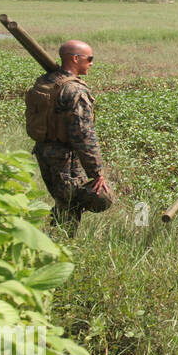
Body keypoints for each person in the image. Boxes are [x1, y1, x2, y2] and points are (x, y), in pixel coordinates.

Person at [24, 40, 113, 231]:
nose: (91, 63)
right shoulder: (75, 90)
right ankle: (62, 244)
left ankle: (56, 238)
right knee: (85, 201)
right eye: (89, 59)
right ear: (75, 59)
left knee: (63, 200)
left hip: (44, 152)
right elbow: (83, 135)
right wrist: (96, 173)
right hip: (65, 157)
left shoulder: (46, 80)